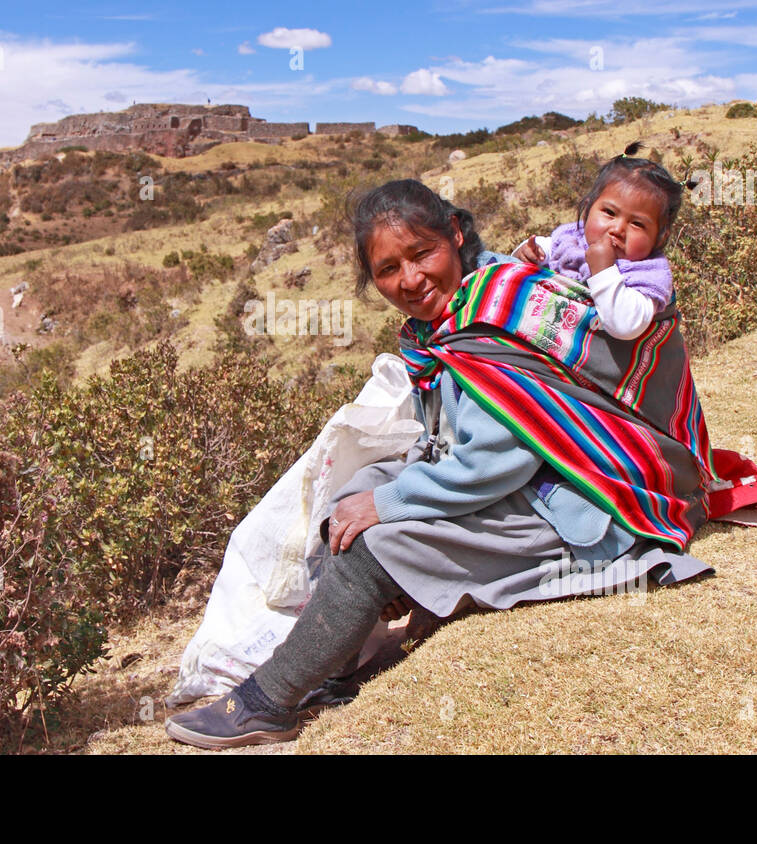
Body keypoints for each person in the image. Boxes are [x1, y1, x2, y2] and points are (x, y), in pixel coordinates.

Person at [165, 178, 715, 750]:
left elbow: (495, 460)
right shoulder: (455, 312)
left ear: (455, 234)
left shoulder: (501, 311)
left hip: (588, 494)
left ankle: (267, 703)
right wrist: (377, 494)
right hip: (536, 471)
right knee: (350, 490)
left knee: (377, 543)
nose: (409, 279)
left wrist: (388, 505)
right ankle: (332, 665)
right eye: (387, 269)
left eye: (422, 253)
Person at [515, 142, 693, 340]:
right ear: (589, 206)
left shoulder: (648, 273)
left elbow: (626, 326)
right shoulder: (573, 238)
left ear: (661, 236)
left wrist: (603, 271)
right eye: (609, 213)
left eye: (637, 224)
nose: (617, 229)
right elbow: (545, 249)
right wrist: (526, 253)